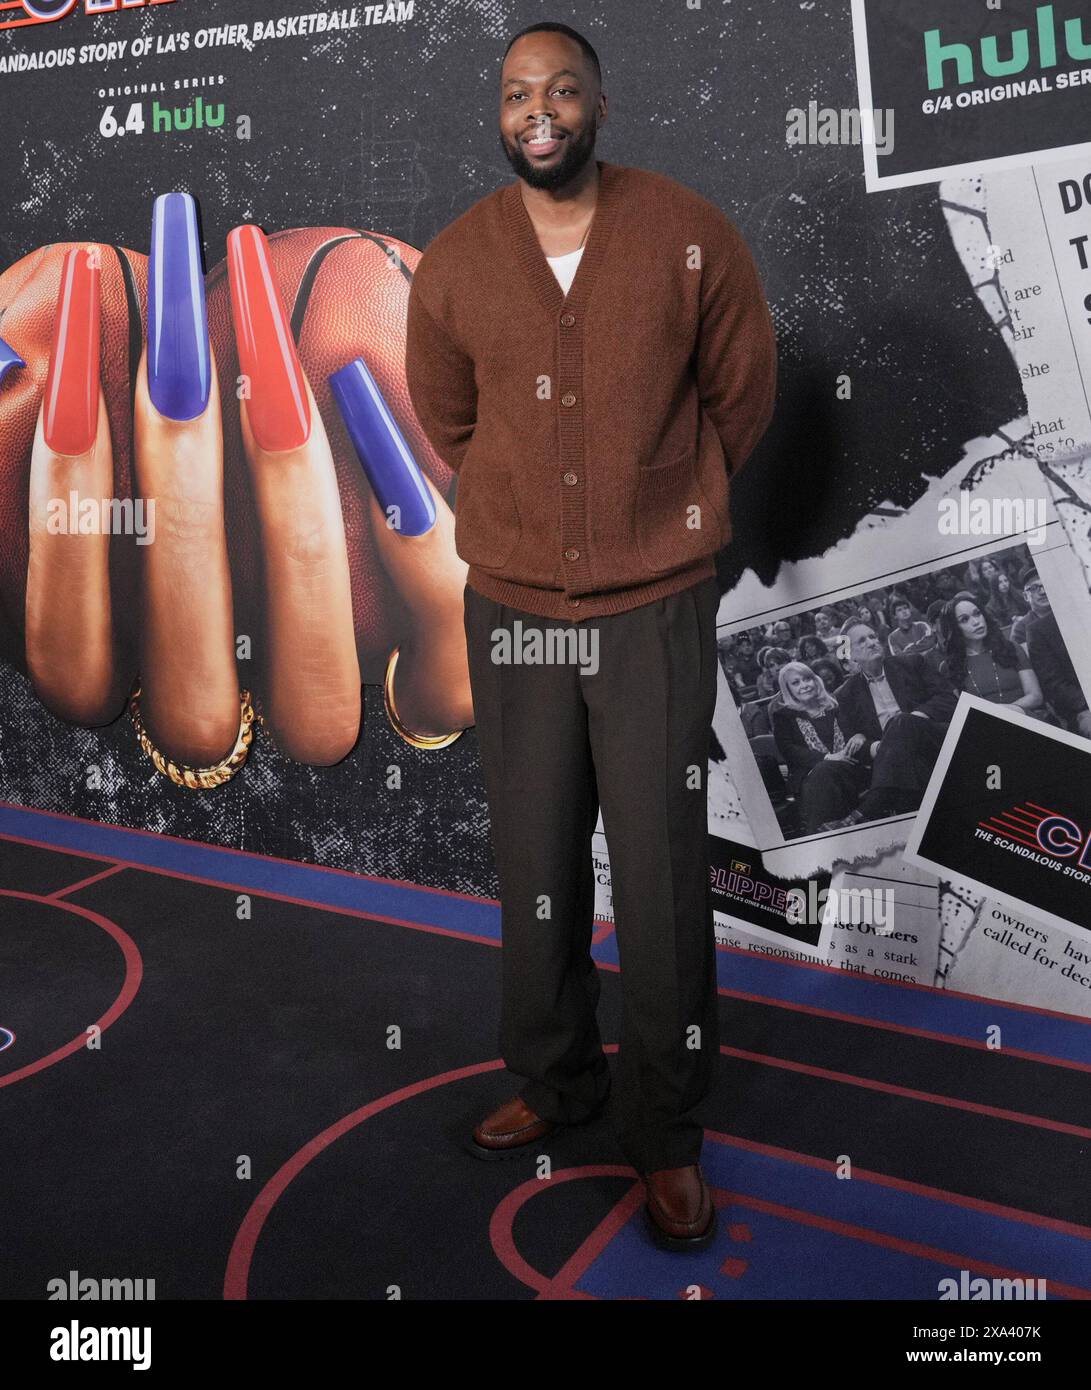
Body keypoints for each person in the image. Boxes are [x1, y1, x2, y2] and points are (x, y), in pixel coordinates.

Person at [404, 21, 777, 1250]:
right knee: (536, 861)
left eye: (562, 88)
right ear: (499, 115)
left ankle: (663, 1133)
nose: (539, 109)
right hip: (512, 611)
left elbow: (742, 389)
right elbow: (448, 422)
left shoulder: (685, 230)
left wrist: (659, 504)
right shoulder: (457, 260)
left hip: (651, 607)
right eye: (518, 93)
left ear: (600, 106)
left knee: (663, 874)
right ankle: (556, 1082)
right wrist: (526, 519)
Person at [831, 620, 958, 819]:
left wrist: (915, 717)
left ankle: (871, 805)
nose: (872, 642)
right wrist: (880, 747)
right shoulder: (846, 694)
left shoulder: (912, 663)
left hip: (932, 736)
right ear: (851, 655)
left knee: (900, 722)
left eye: (872, 636)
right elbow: (853, 744)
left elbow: (947, 699)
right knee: (910, 766)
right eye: (862, 641)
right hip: (898, 759)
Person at [770, 662, 869, 835]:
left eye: (807, 679)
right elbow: (789, 750)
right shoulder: (783, 716)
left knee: (827, 771)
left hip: (849, 768)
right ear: (788, 690)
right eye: (796, 683)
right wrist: (827, 758)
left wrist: (860, 735)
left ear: (815, 681)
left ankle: (819, 834)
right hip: (809, 776)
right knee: (823, 770)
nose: (804, 685)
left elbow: (854, 731)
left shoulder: (835, 706)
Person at [935, 590, 1044, 715]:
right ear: (953, 628)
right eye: (964, 619)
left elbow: (1035, 696)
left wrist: (1002, 712)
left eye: (977, 614)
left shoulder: (1010, 648)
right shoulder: (949, 667)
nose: (976, 622)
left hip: (1025, 716)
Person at [1016, 564, 1091, 736]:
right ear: (1025, 596)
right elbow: (1054, 685)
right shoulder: (1032, 630)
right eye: (1034, 588)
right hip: (1080, 705)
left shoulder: (1077, 611)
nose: (1042, 591)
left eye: (1045, 586)